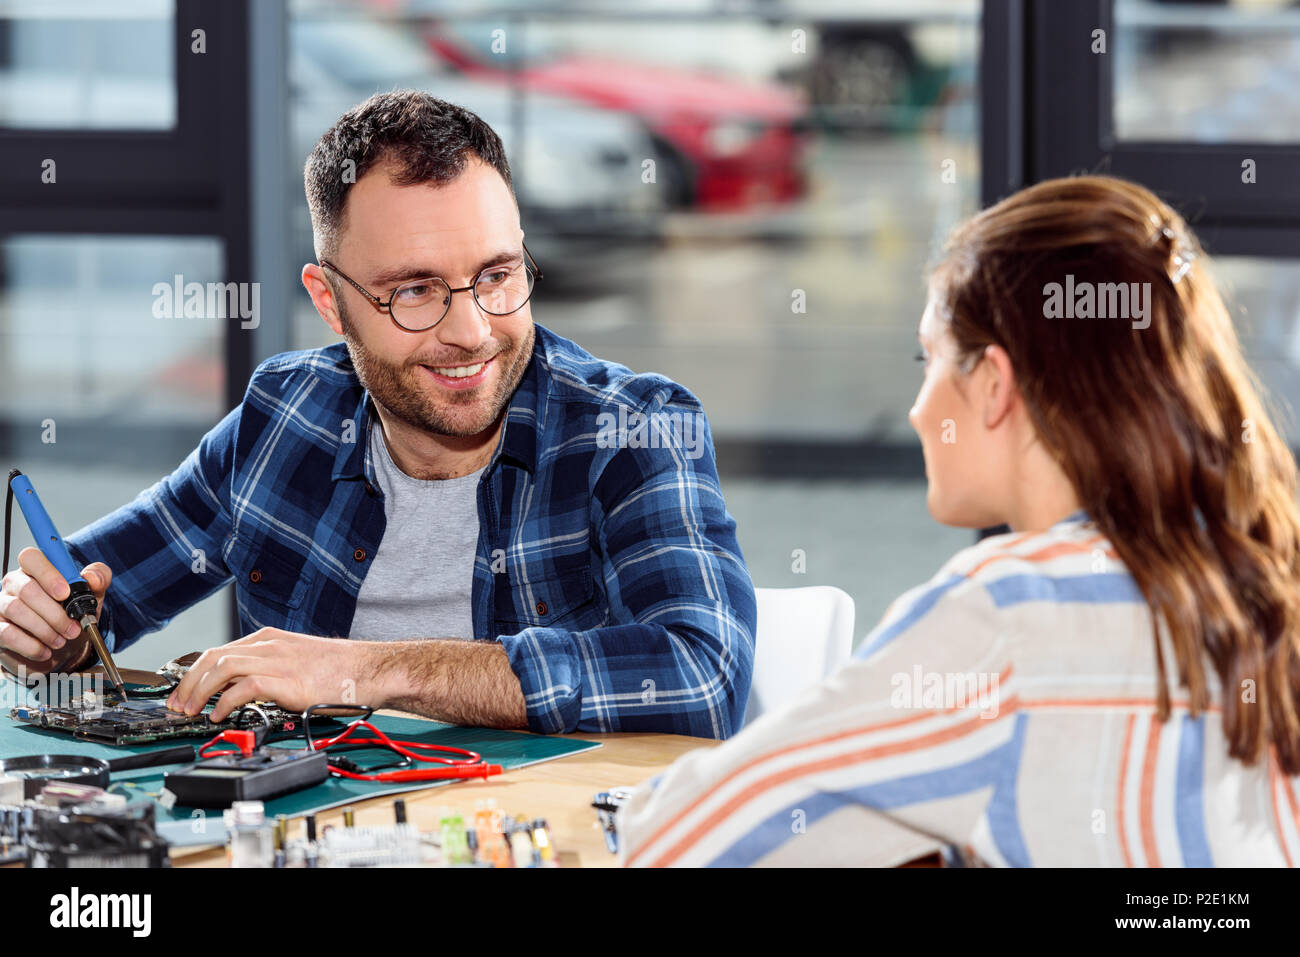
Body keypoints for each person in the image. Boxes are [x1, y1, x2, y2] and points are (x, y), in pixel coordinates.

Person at [0, 91, 756, 738]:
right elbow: (91, 601)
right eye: (415, 291)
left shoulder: (634, 429)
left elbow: (702, 676)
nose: (472, 331)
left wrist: (360, 671)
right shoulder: (283, 418)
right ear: (330, 302)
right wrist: (45, 630)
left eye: (496, 275)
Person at [617, 175, 1300, 866]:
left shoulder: (1008, 614)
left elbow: (675, 838)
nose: (917, 411)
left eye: (930, 360)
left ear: (995, 383)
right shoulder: (1267, 573)